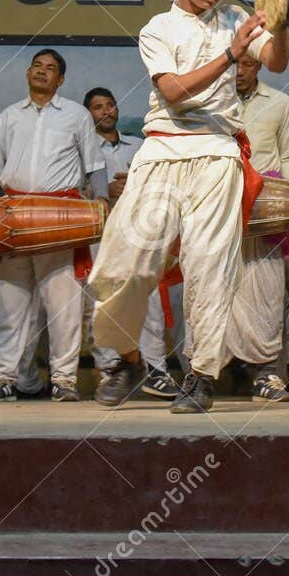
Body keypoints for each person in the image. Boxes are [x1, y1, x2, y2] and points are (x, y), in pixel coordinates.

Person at [89, 0, 289, 414]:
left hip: (218, 153)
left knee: (209, 266)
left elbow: (277, 62)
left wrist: (282, 20)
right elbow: (175, 91)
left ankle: (201, 377)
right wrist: (229, 54)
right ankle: (130, 360)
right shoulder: (157, 27)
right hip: (161, 152)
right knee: (123, 263)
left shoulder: (237, 19)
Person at [0, 50, 107, 403]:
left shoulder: (77, 116)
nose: (42, 72)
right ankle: (4, 379)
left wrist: (102, 199)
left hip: (60, 218)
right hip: (12, 219)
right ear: (27, 73)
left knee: (63, 307)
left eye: (50, 69)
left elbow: (94, 165)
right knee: (7, 305)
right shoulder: (8, 116)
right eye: (37, 66)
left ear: (60, 80)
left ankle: (64, 380)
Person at [84, 87, 182, 399]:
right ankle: (111, 370)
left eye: (110, 105)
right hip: (100, 234)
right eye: (98, 107)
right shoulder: (83, 148)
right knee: (103, 300)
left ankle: (156, 371)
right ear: (89, 115)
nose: (106, 111)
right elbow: (73, 187)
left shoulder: (141, 146)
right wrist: (100, 191)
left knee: (147, 300)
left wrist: (136, 184)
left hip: (140, 231)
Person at [226, 53, 289, 401]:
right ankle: (201, 372)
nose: (239, 71)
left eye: (247, 65)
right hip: (218, 203)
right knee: (210, 285)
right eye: (235, 64)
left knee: (269, 290)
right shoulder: (210, 99)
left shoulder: (280, 102)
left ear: (258, 67)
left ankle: (267, 374)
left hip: (266, 207)